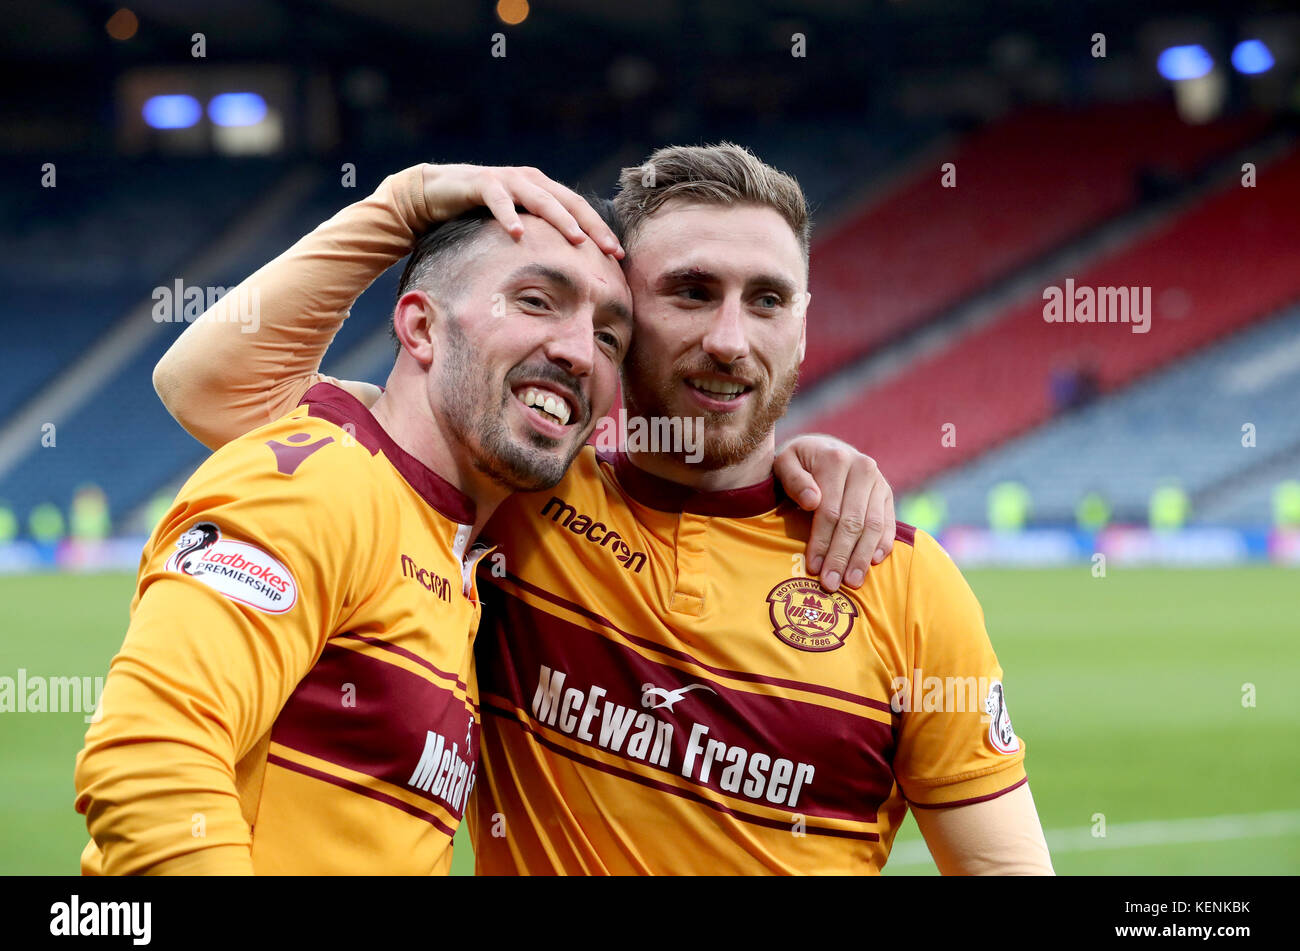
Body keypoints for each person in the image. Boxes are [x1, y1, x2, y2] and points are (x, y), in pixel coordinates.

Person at [157, 147, 1052, 874]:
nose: (732, 338)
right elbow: (210, 389)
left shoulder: (901, 582)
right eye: (692, 292)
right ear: (618, 320)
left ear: (805, 326)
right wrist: (404, 206)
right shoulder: (512, 497)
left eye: (767, 299)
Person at [74, 168, 637, 874]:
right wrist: (401, 203)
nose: (580, 351)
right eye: (534, 300)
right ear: (422, 326)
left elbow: (204, 385)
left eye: (610, 338)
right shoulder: (317, 484)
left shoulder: (451, 532)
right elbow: (152, 757)